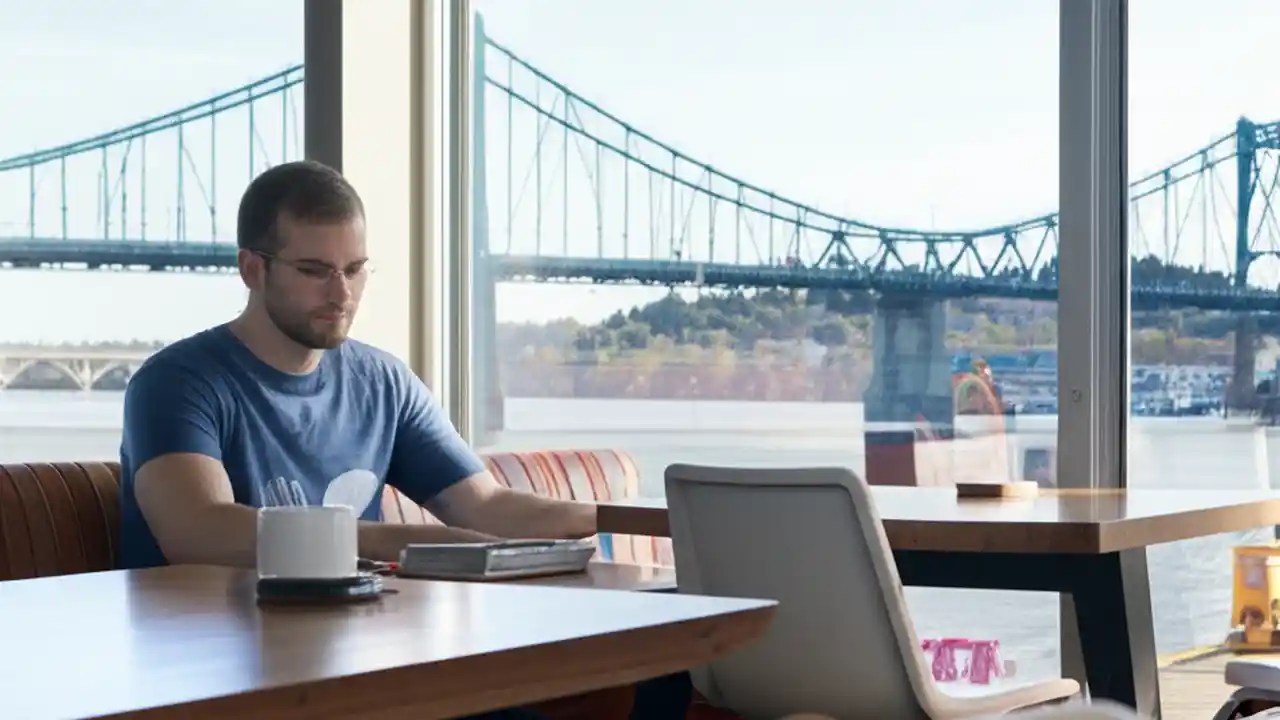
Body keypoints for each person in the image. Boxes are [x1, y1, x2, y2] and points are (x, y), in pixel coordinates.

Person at [118, 160, 690, 720]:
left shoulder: (382, 381)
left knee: (664, 665)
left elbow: (485, 506)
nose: (342, 293)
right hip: (219, 678)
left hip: (354, 661)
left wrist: (658, 520)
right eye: (315, 270)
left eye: (355, 269)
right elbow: (196, 531)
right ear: (252, 268)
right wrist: (411, 544)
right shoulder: (178, 382)